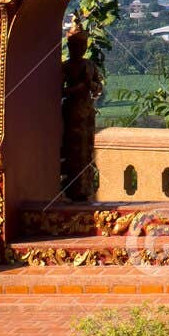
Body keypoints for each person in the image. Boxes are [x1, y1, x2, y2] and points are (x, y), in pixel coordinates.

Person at [60, 17, 104, 202]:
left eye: (82, 45)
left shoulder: (89, 65)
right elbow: (59, 90)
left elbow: (98, 86)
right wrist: (77, 88)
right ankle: (72, 188)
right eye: (76, 45)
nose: (80, 49)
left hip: (86, 111)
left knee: (86, 151)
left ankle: (86, 187)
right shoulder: (66, 67)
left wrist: (91, 85)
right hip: (72, 111)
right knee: (73, 151)